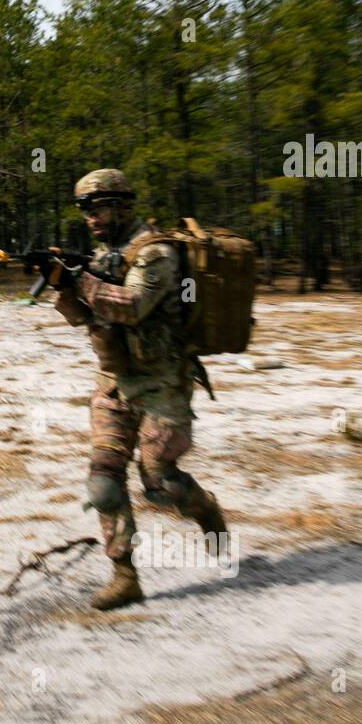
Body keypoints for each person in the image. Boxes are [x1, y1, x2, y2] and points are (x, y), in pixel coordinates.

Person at [52, 168, 228, 610]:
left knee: (159, 482)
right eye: (84, 210)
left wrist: (79, 280)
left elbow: (132, 307)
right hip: (113, 382)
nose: (90, 217)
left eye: (96, 207)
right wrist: (61, 284)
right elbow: (81, 317)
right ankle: (125, 575)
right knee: (104, 484)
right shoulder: (101, 254)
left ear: (121, 205)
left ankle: (206, 510)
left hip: (162, 383)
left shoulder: (157, 253)